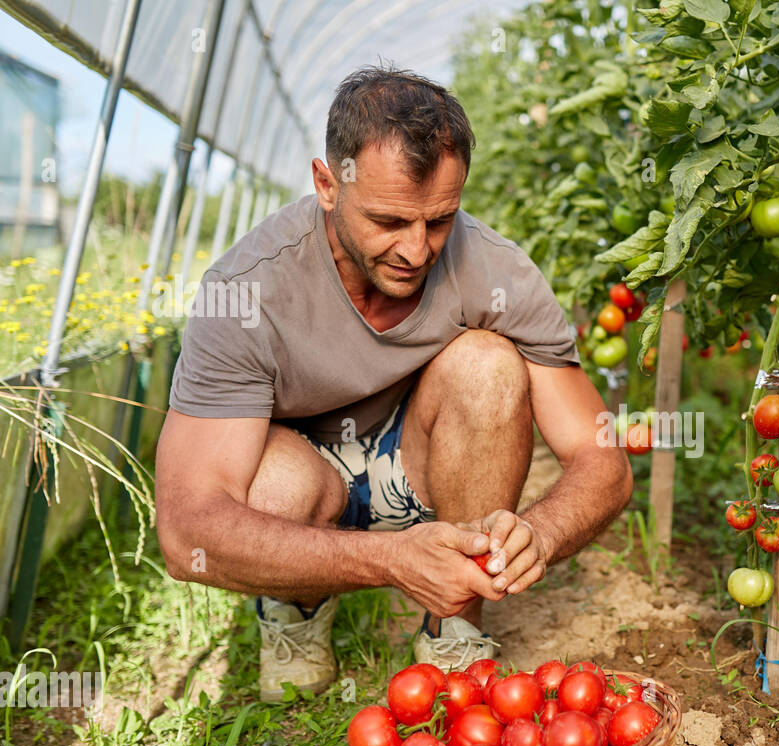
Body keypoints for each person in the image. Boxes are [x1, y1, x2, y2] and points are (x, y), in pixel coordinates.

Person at [155, 66, 633, 701]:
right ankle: (294, 614)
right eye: (389, 221)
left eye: (439, 221)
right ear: (328, 184)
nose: (416, 250)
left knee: (488, 364)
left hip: (411, 461)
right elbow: (187, 528)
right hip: (305, 477)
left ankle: (455, 626)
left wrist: (539, 534)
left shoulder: (497, 272)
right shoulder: (246, 291)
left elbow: (604, 462)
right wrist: (391, 559)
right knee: (273, 484)